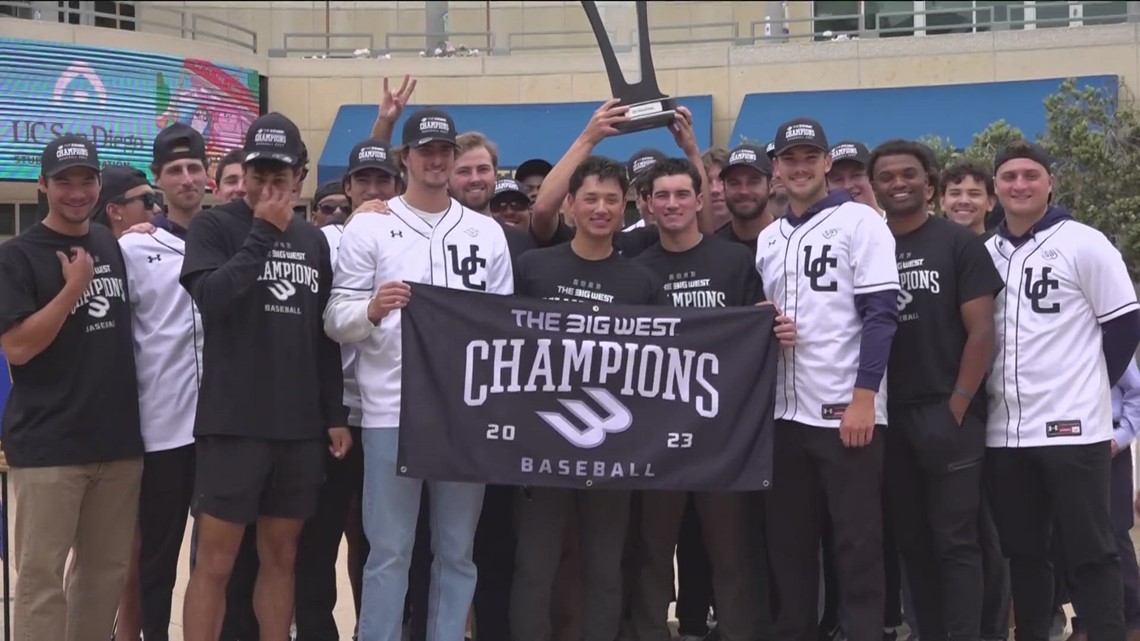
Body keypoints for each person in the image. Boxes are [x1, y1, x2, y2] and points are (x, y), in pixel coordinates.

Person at [324, 107, 514, 641]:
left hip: (464, 414)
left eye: (443, 150)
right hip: (391, 412)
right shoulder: (371, 225)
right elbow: (335, 320)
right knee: (389, 551)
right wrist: (373, 310)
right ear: (404, 158)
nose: (435, 159)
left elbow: (501, 328)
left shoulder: (486, 232)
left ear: (454, 158)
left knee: (457, 550)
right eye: (424, 150)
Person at [179, 113, 349, 641]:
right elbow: (212, 299)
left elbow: (322, 336)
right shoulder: (214, 226)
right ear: (243, 173)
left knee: (283, 556)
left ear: (299, 175)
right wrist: (261, 233)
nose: (269, 183)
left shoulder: (312, 240)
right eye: (259, 172)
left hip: (297, 426)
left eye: (280, 173)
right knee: (217, 561)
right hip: (233, 423)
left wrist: (335, 414)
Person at [630, 156, 796, 641]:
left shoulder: (734, 261)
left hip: (724, 433)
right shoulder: (637, 272)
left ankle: (742, 632)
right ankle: (648, 632)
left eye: (682, 194)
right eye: (661, 195)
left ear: (700, 199)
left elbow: (758, 327)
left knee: (732, 552)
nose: (672, 203)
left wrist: (772, 324)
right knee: (654, 551)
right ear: (648, 204)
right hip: (657, 438)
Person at [984, 141, 1140, 641]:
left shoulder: (1085, 242)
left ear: (1050, 183)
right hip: (1005, 435)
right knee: (1025, 555)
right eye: (1009, 176)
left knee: (1091, 551)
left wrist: (1091, 385)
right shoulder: (984, 252)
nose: (1020, 185)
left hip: (1074, 431)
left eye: (1031, 175)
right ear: (996, 188)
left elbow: (1123, 324)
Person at [509, 155, 667, 641]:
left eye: (612, 200)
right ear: (570, 206)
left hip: (612, 449)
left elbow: (664, 369)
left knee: (605, 569)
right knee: (534, 568)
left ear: (625, 209)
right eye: (591, 199)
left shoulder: (641, 281)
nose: (601, 209)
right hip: (540, 446)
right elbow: (498, 348)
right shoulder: (532, 269)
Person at [756, 118, 900, 641]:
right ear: (776, 167)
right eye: (789, 158)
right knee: (789, 545)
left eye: (808, 157)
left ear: (825, 164)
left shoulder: (861, 223)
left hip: (846, 410)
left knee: (857, 545)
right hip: (785, 413)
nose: (799, 167)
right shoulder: (770, 237)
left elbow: (882, 314)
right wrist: (763, 321)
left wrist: (864, 399)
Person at [0, 134, 144, 641]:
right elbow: (17, 347)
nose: (77, 192)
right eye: (64, 181)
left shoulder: (108, 243)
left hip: (118, 444)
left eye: (87, 180)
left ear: (100, 186)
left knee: (103, 576)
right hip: (50, 448)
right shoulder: (17, 255)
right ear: (42, 185)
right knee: (41, 581)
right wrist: (71, 290)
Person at [870, 139, 1004, 641]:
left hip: (948, 412)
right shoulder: (869, 245)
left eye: (909, 174)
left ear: (929, 186)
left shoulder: (957, 243)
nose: (898, 183)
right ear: (875, 187)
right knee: (911, 542)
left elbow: (982, 331)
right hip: (887, 416)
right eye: (887, 176)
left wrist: (957, 406)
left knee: (958, 542)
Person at [108, 123, 210, 641]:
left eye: (194, 167)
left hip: (224, 425)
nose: (187, 178)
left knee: (219, 558)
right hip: (164, 426)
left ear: (208, 173)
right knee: (157, 556)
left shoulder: (233, 238)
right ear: (160, 181)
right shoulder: (132, 249)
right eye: (175, 170)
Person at [717, 142, 776, 251]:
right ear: (724, 188)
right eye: (734, 183)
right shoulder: (715, 249)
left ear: (771, 186)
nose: (743, 191)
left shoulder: (793, 242)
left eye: (753, 182)